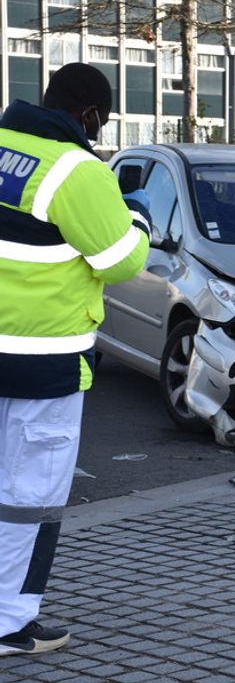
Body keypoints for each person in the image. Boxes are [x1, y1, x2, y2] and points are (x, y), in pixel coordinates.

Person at [0, 63, 151, 654]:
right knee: (26, 500)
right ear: (88, 115)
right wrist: (133, 215)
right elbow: (121, 261)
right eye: (100, 120)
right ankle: (9, 623)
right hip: (43, 365)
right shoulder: (78, 170)